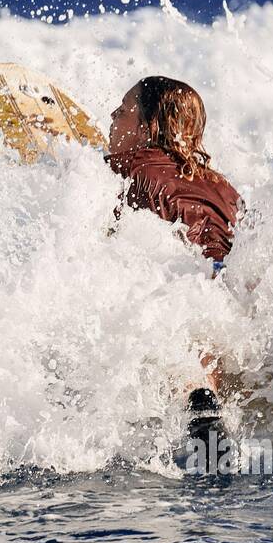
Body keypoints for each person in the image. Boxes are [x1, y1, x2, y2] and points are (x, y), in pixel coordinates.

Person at [104, 76, 242, 439]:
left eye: (122, 111)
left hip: (166, 284)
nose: (112, 117)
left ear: (149, 127)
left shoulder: (123, 170)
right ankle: (210, 410)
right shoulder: (225, 187)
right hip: (224, 292)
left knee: (168, 333)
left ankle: (196, 403)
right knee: (207, 348)